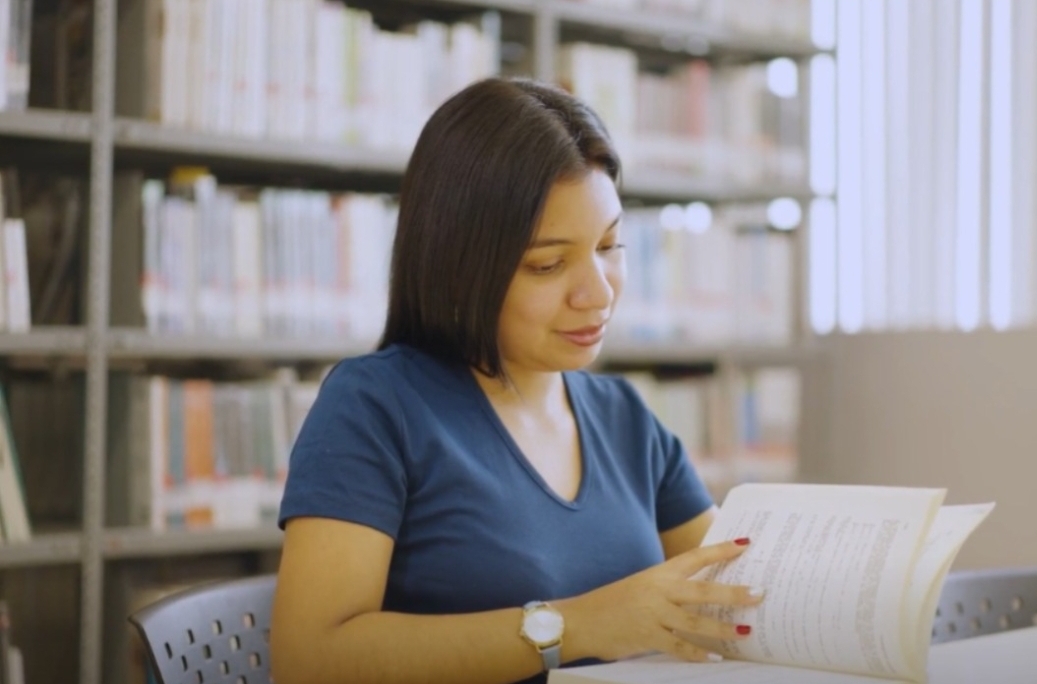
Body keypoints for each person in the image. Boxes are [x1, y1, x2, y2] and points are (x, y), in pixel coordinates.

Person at [270, 77, 764, 684]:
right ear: (460, 267)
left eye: (609, 245)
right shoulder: (375, 406)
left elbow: (737, 590)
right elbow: (309, 660)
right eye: (548, 264)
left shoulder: (624, 417)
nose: (598, 292)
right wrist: (579, 625)